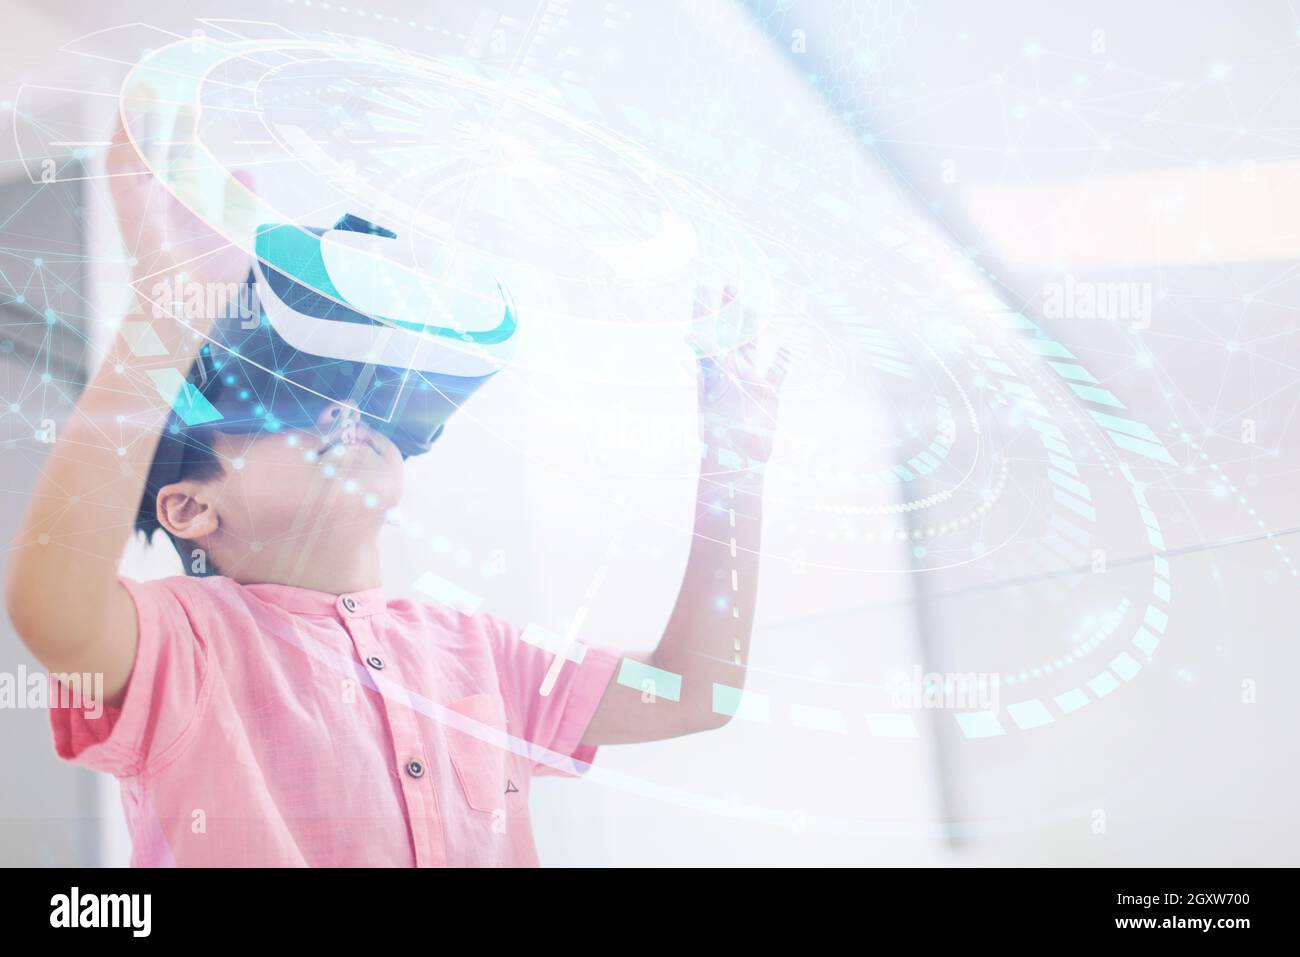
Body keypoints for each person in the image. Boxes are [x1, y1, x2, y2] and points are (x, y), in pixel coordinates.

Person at [4, 119, 791, 866]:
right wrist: (165, 310)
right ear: (190, 507)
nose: (346, 411)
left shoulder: (484, 655)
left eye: (354, 395)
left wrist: (736, 464)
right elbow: (54, 610)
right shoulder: (186, 644)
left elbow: (696, 691)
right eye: (288, 402)